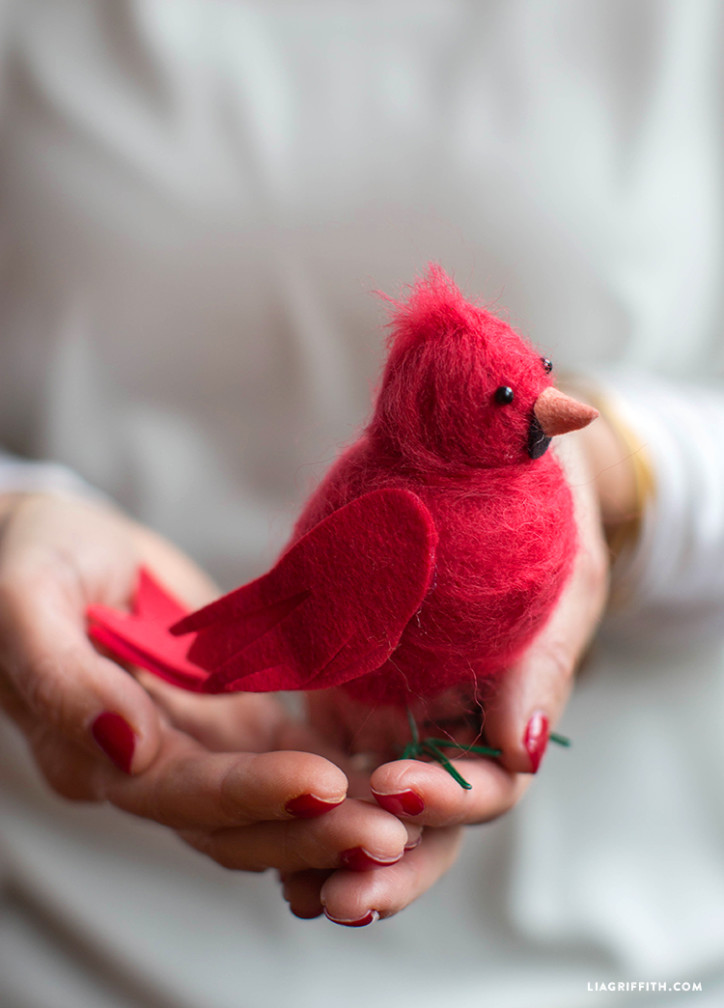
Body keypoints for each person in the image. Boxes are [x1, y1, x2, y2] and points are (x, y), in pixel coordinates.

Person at [1, 2, 723, 1005]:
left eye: (536, 380)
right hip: (66, 950)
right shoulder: (396, 526)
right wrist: (15, 512)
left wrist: (639, 481)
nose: (549, 410)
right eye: (511, 398)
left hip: (633, 949)